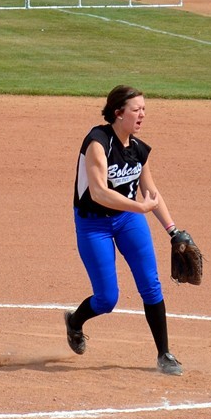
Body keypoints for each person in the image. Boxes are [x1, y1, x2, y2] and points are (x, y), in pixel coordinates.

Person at [63, 85, 185, 376]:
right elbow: (99, 193)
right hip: (94, 224)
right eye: (136, 109)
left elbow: (151, 192)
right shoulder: (98, 142)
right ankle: (75, 322)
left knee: (150, 284)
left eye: (144, 109)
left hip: (128, 221)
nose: (142, 114)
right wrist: (139, 207)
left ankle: (164, 354)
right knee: (107, 298)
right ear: (118, 113)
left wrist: (172, 230)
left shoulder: (139, 150)